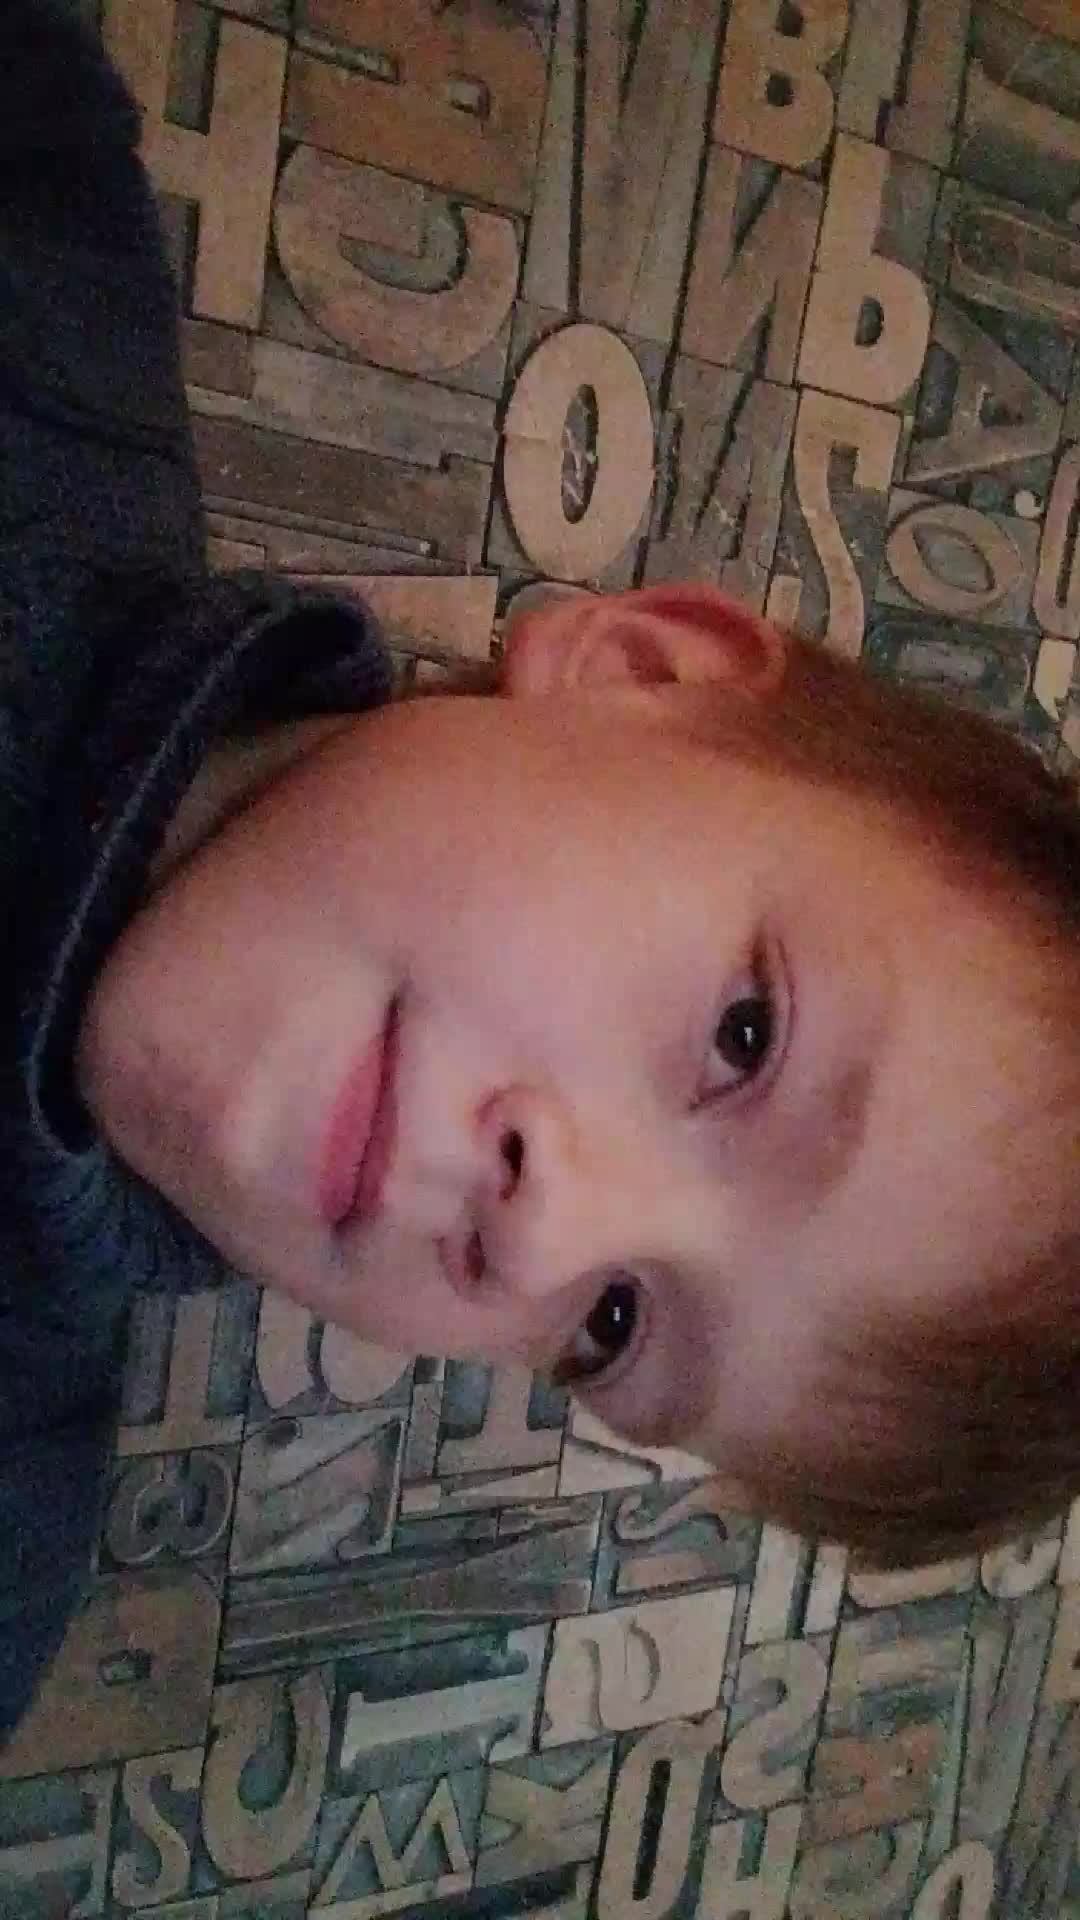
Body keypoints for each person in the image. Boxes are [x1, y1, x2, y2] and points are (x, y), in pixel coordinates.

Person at [2, 0, 1078, 1747]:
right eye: (744, 1037)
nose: (543, 1238)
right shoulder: (38, 218)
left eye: (615, 1326)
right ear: (642, 673)